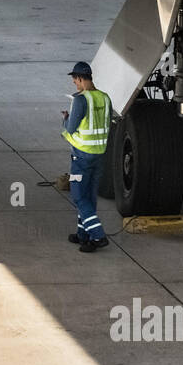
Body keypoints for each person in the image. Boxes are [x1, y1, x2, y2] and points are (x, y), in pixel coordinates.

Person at [60, 61, 111, 253]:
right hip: (98, 156)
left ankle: (97, 235)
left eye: (75, 81)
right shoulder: (105, 98)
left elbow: (70, 130)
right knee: (89, 196)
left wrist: (65, 120)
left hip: (80, 158)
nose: (75, 85)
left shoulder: (80, 100)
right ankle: (83, 235)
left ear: (81, 79)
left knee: (78, 195)